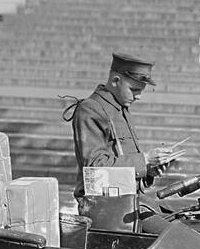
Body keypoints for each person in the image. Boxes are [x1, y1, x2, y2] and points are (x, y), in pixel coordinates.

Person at [61, 53, 180, 198]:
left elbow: (123, 168)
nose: (139, 96)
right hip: (103, 206)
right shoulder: (91, 109)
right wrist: (145, 159)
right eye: (134, 90)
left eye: (141, 91)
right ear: (116, 81)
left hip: (127, 201)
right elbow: (94, 169)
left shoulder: (120, 108)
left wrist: (148, 170)